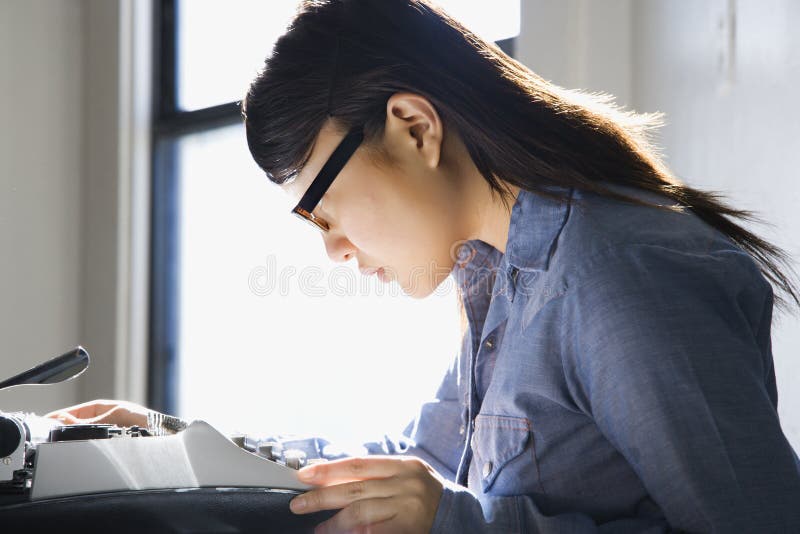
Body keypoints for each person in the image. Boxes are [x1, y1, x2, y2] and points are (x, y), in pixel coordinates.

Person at [48, 0, 800, 532]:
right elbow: (408, 466)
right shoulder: (502, 277)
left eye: (324, 209)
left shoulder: (615, 277)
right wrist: (182, 444)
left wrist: (461, 526)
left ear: (413, 128)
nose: (332, 248)